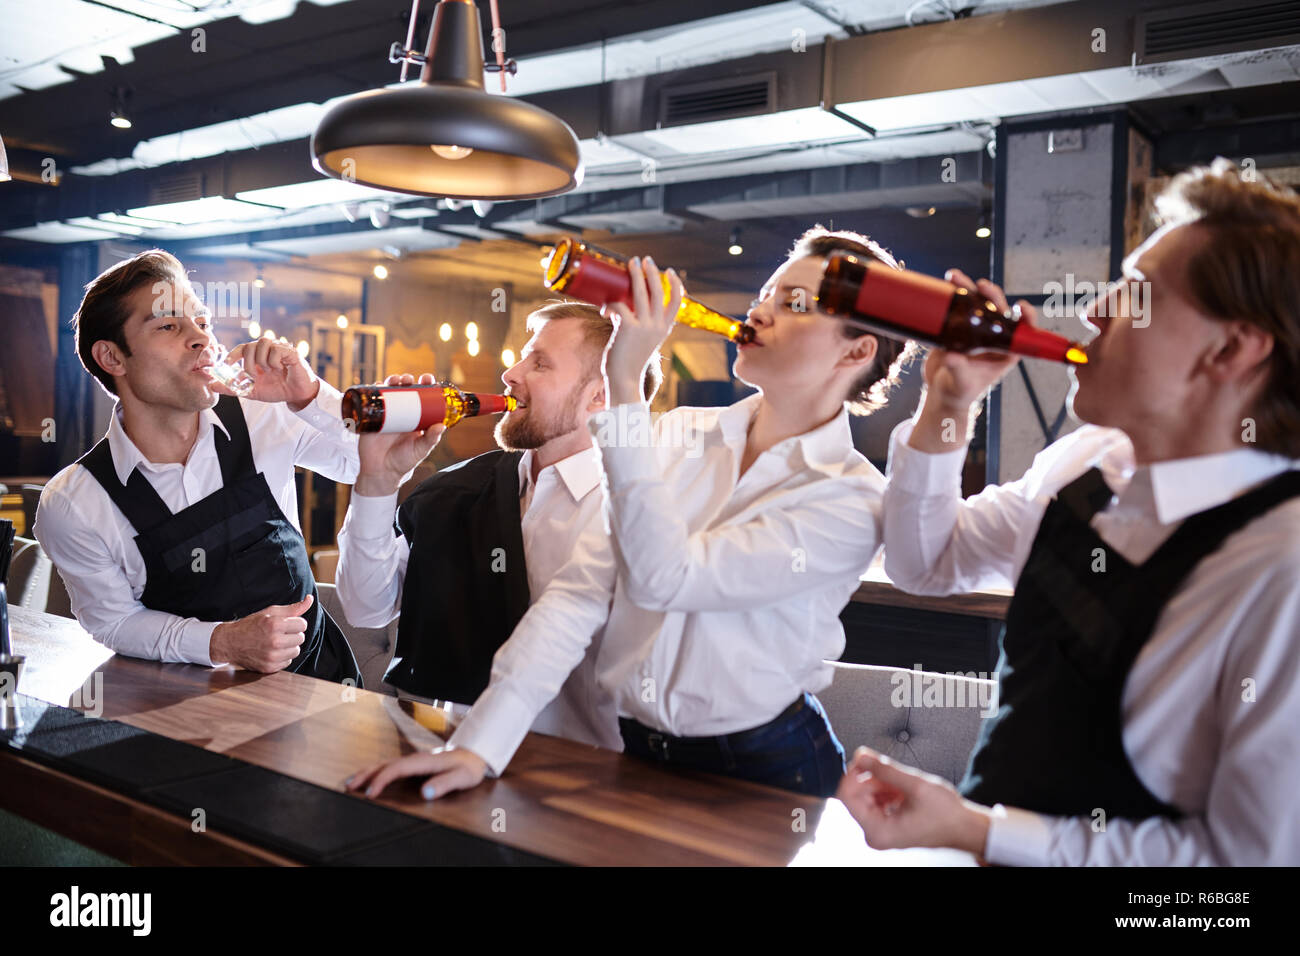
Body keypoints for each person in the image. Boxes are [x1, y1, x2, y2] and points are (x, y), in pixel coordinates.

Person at [837, 160, 1300, 865]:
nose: (1092, 312)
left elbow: (1237, 876)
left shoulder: (1281, 564)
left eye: (1135, 296)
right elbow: (923, 564)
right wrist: (950, 403)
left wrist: (978, 831)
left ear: (1231, 349)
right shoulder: (1084, 464)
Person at [348, 227, 915, 801]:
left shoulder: (855, 497)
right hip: (638, 754)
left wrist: (624, 382)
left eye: (793, 303)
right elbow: (578, 596)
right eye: (766, 294)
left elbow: (667, 577)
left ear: (856, 350)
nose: (762, 311)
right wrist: (479, 746)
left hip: (767, 766)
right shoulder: (673, 434)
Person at [334, 301, 661, 749]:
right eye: (523, 356)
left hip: (585, 778)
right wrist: (377, 481)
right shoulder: (458, 490)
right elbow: (366, 608)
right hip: (451, 756)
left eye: (540, 363)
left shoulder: (641, 510)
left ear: (601, 395)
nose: (510, 373)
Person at [35, 249, 362, 684]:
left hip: (322, 690)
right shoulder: (72, 503)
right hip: (185, 708)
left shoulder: (265, 413)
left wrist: (308, 395)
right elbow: (113, 622)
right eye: (170, 325)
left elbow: (364, 466)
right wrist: (221, 641)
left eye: (202, 323)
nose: (201, 338)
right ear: (112, 358)